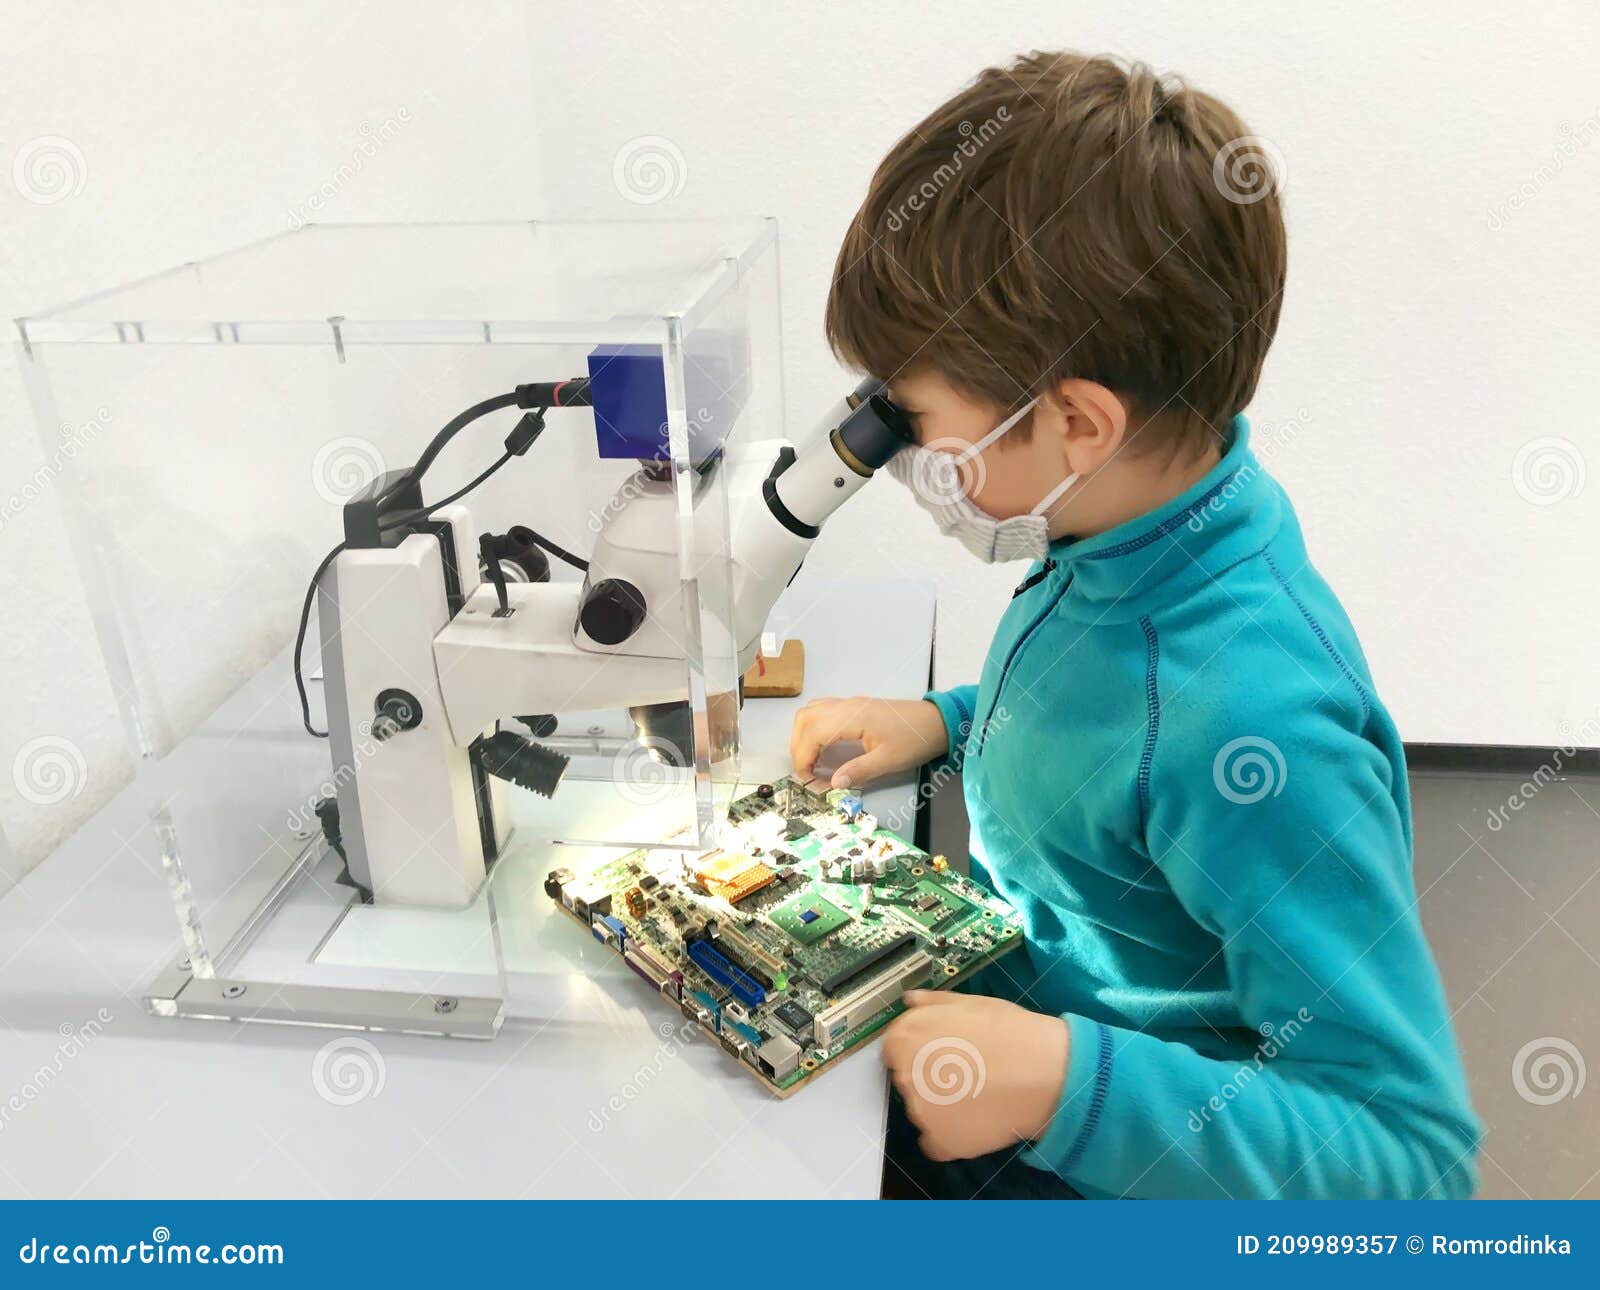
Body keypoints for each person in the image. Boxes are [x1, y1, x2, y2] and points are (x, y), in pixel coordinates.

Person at [789, 50, 1480, 1199]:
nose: (899, 457)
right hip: (1024, 1026)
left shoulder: (1256, 724)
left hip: (1124, 1156)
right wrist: (948, 720)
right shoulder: (1135, 531)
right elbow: (1101, 716)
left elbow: (1412, 1164)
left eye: (913, 422)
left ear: (1078, 423)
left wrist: (1065, 1088)